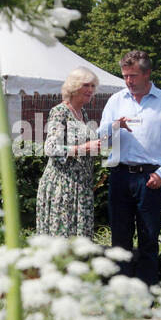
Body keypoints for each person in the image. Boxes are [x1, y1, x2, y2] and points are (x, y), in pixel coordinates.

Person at [96, 50, 161, 285]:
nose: (128, 81)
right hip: (120, 177)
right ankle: (121, 294)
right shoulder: (116, 101)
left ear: (147, 74)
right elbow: (100, 137)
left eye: (133, 76)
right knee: (119, 241)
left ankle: (145, 297)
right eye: (125, 76)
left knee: (148, 239)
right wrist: (115, 126)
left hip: (150, 178)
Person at [37, 67, 102, 238]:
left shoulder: (83, 113)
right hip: (63, 188)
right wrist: (83, 149)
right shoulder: (60, 112)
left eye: (93, 86)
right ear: (74, 87)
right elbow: (51, 148)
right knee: (63, 243)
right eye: (86, 85)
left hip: (81, 188)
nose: (91, 90)